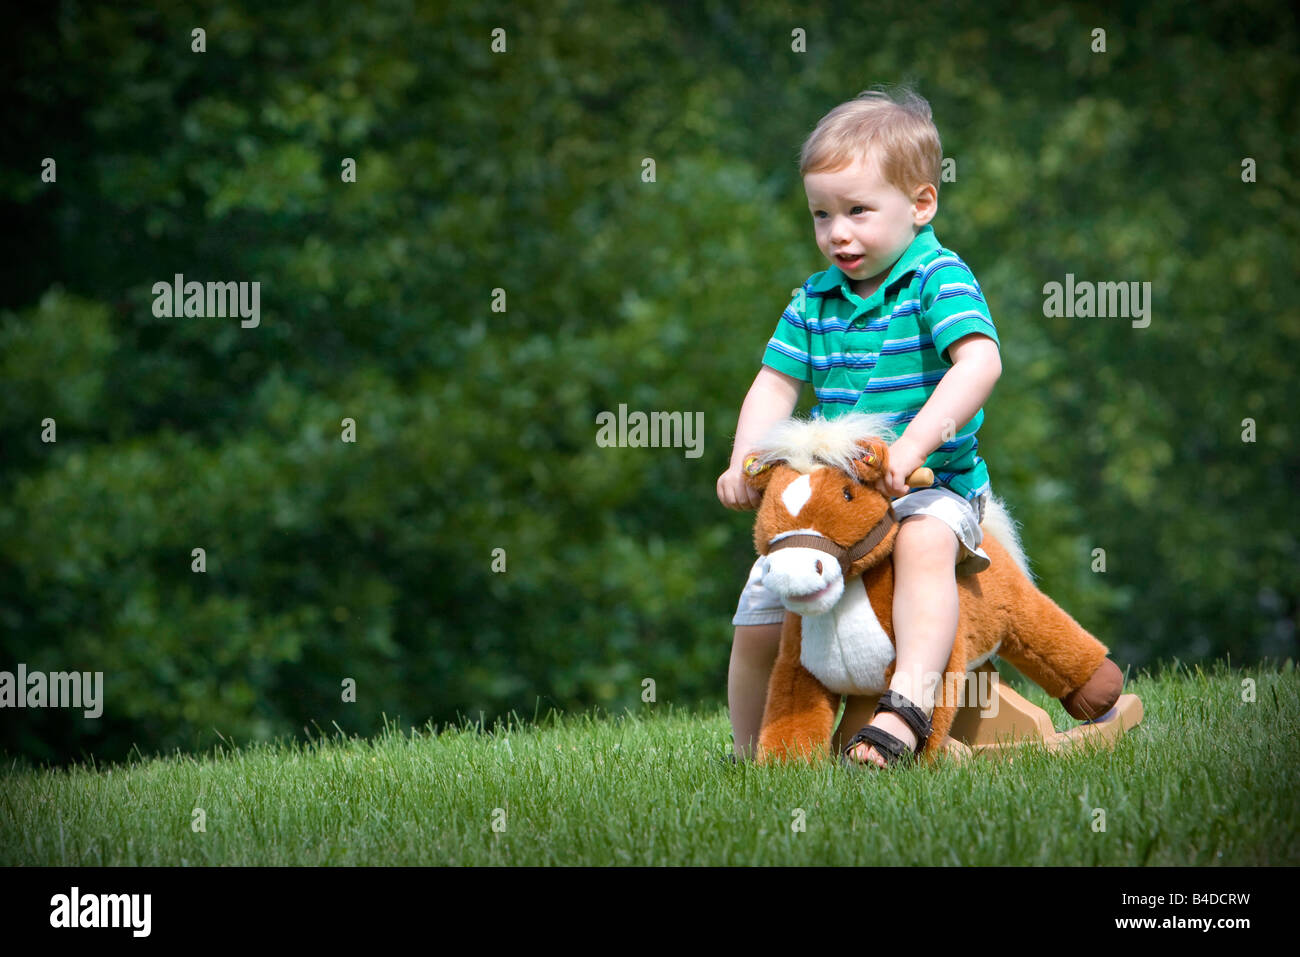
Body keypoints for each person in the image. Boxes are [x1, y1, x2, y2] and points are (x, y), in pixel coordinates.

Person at [716, 87, 1002, 767]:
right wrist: (743, 459)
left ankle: (905, 709)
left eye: (857, 212)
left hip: (935, 483)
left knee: (926, 542)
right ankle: (748, 750)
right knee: (763, 590)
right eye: (822, 214)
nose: (837, 232)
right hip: (838, 497)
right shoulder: (813, 300)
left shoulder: (937, 277)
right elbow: (775, 383)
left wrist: (913, 444)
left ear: (921, 205)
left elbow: (980, 362)